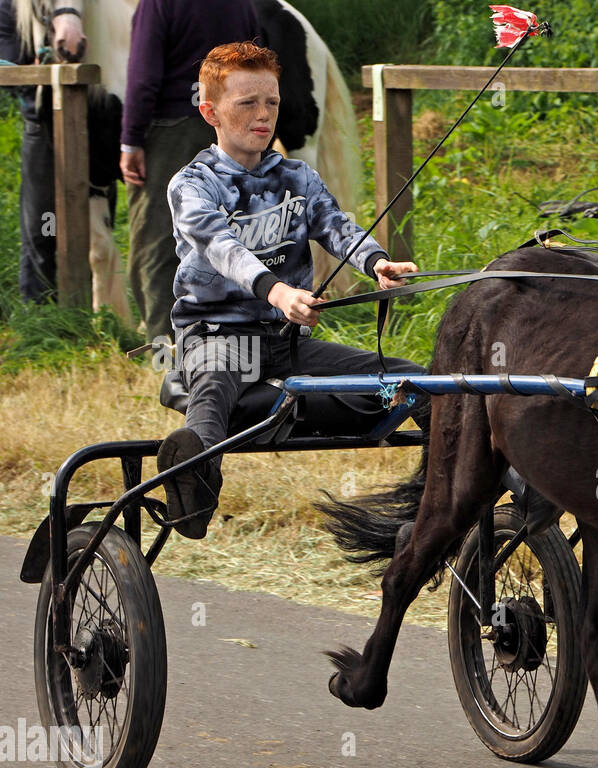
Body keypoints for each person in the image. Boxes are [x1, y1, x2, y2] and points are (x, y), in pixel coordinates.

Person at [160, 41, 423, 539]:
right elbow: (222, 249)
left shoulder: (297, 176)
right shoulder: (192, 185)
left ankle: (442, 497)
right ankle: (193, 482)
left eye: (272, 103)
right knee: (215, 383)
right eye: (247, 103)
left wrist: (376, 261)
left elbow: (337, 226)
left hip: (286, 346)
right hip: (216, 339)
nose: (263, 115)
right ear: (210, 112)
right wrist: (279, 292)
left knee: (419, 382)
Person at [121, 0, 260, 343]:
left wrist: (130, 140)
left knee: (157, 241)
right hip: (229, 128)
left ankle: (165, 346)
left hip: (172, 132)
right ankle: (229, 338)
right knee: (232, 234)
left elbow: (143, 76)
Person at [0, 1, 88, 303]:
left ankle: (84, 300)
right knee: (41, 222)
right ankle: (38, 305)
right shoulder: (10, 9)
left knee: (91, 215)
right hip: (40, 125)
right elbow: (8, 67)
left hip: (85, 123)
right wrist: (38, 65)